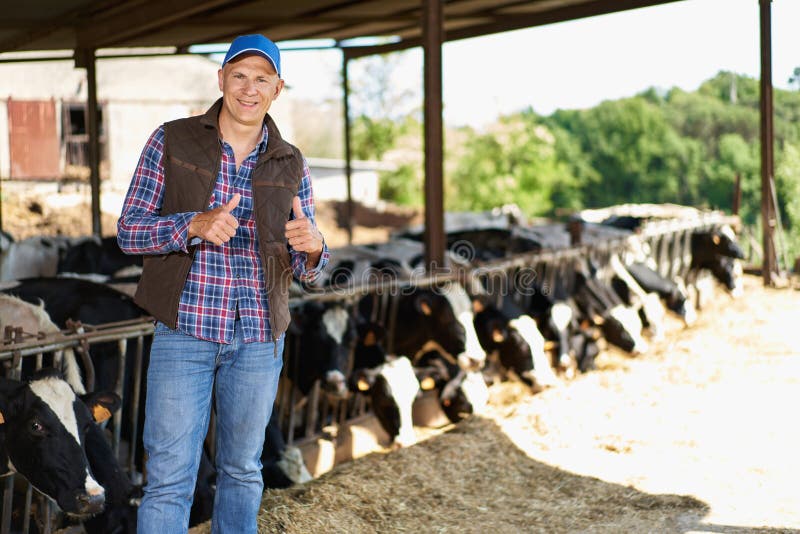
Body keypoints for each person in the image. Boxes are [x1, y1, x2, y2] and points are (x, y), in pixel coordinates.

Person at [117, 34, 328, 533]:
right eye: (239, 75)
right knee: (169, 477)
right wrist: (192, 225)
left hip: (258, 336)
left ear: (278, 89)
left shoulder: (292, 162)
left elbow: (308, 265)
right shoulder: (171, 139)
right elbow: (129, 230)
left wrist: (315, 248)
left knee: (242, 469)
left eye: (262, 79)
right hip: (185, 330)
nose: (249, 89)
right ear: (221, 80)